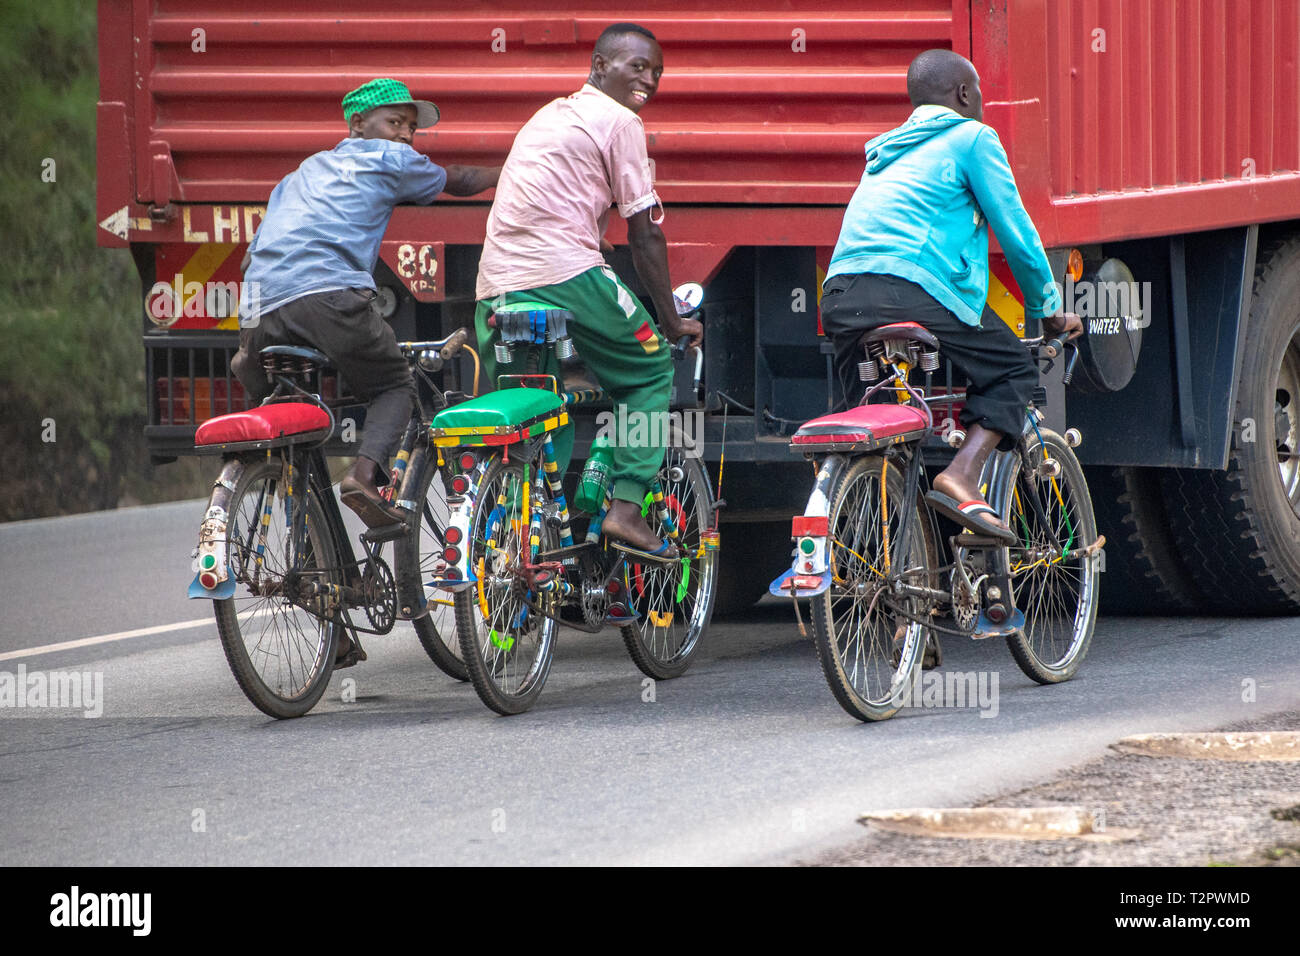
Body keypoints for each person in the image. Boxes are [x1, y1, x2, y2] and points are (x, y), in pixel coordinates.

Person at [819, 49, 1081, 541]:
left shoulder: (883, 152)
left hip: (839, 297)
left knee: (874, 428)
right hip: (913, 291)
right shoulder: (971, 137)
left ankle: (878, 548)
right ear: (964, 94)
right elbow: (1017, 233)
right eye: (978, 92)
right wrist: (1047, 311)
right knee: (1012, 368)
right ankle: (961, 475)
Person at [473, 23, 703, 561]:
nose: (648, 79)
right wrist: (670, 321)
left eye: (657, 71)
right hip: (566, 275)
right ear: (599, 66)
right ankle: (625, 510)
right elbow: (644, 234)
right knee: (648, 369)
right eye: (637, 66)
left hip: (494, 288)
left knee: (534, 408)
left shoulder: (548, 114)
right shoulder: (620, 121)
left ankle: (529, 535)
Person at [233, 78, 501, 528]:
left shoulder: (303, 172)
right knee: (393, 384)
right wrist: (517, 167)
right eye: (394, 121)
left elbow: (248, 256)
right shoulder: (391, 159)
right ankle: (363, 477)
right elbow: (462, 180)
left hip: (259, 303)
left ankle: (269, 437)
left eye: (412, 129)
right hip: (329, 295)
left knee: (275, 377)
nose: (405, 135)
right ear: (358, 124)